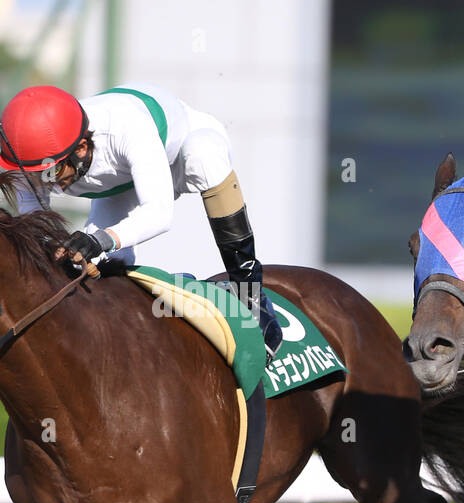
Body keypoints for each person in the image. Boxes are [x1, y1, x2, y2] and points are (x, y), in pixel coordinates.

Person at [0, 83, 282, 358]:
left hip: (177, 157)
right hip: (118, 184)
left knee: (203, 155)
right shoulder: (37, 160)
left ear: (82, 147)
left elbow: (159, 213)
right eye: (34, 174)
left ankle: (251, 296)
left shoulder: (128, 127)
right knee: (96, 275)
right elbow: (37, 229)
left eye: (51, 171)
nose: (42, 181)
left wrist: (98, 239)